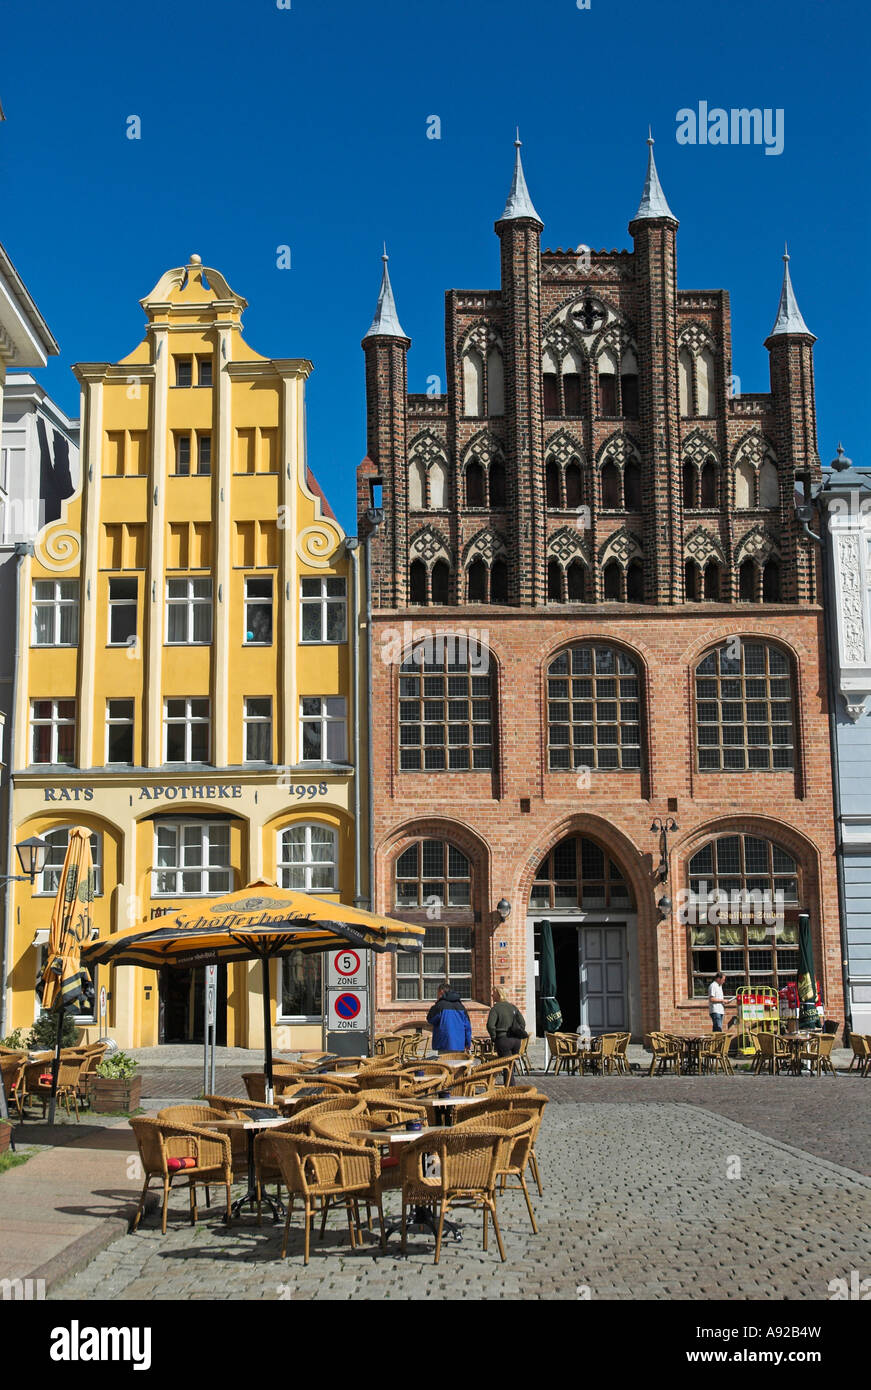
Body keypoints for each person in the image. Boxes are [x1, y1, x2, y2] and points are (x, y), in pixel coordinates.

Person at [426, 983, 472, 1054]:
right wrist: (467, 1044)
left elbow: (431, 1019)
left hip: (444, 1044)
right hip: (459, 1044)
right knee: (458, 1064)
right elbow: (467, 1027)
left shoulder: (440, 1005)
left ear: (441, 992)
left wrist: (435, 1006)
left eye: (437, 993)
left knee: (444, 1064)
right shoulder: (461, 1007)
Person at [486, 987, 526, 1057]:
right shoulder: (513, 1007)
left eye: (494, 993)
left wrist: (494, 1038)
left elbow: (490, 1026)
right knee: (511, 1063)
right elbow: (522, 1023)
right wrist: (518, 1032)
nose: (492, 995)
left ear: (499, 995)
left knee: (505, 1065)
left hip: (503, 1040)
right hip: (516, 1041)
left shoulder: (495, 1009)